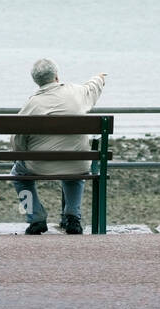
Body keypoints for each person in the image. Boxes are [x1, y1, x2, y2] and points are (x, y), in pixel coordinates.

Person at [10, 59, 106, 235]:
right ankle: (72, 217)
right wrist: (99, 78)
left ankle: (35, 217)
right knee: (76, 173)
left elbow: (17, 139)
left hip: (40, 165)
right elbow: (92, 88)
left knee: (18, 175)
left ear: (36, 81)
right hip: (77, 163)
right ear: (56, 75)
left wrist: (21, 153)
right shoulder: (77, 92)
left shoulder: (32, 104)